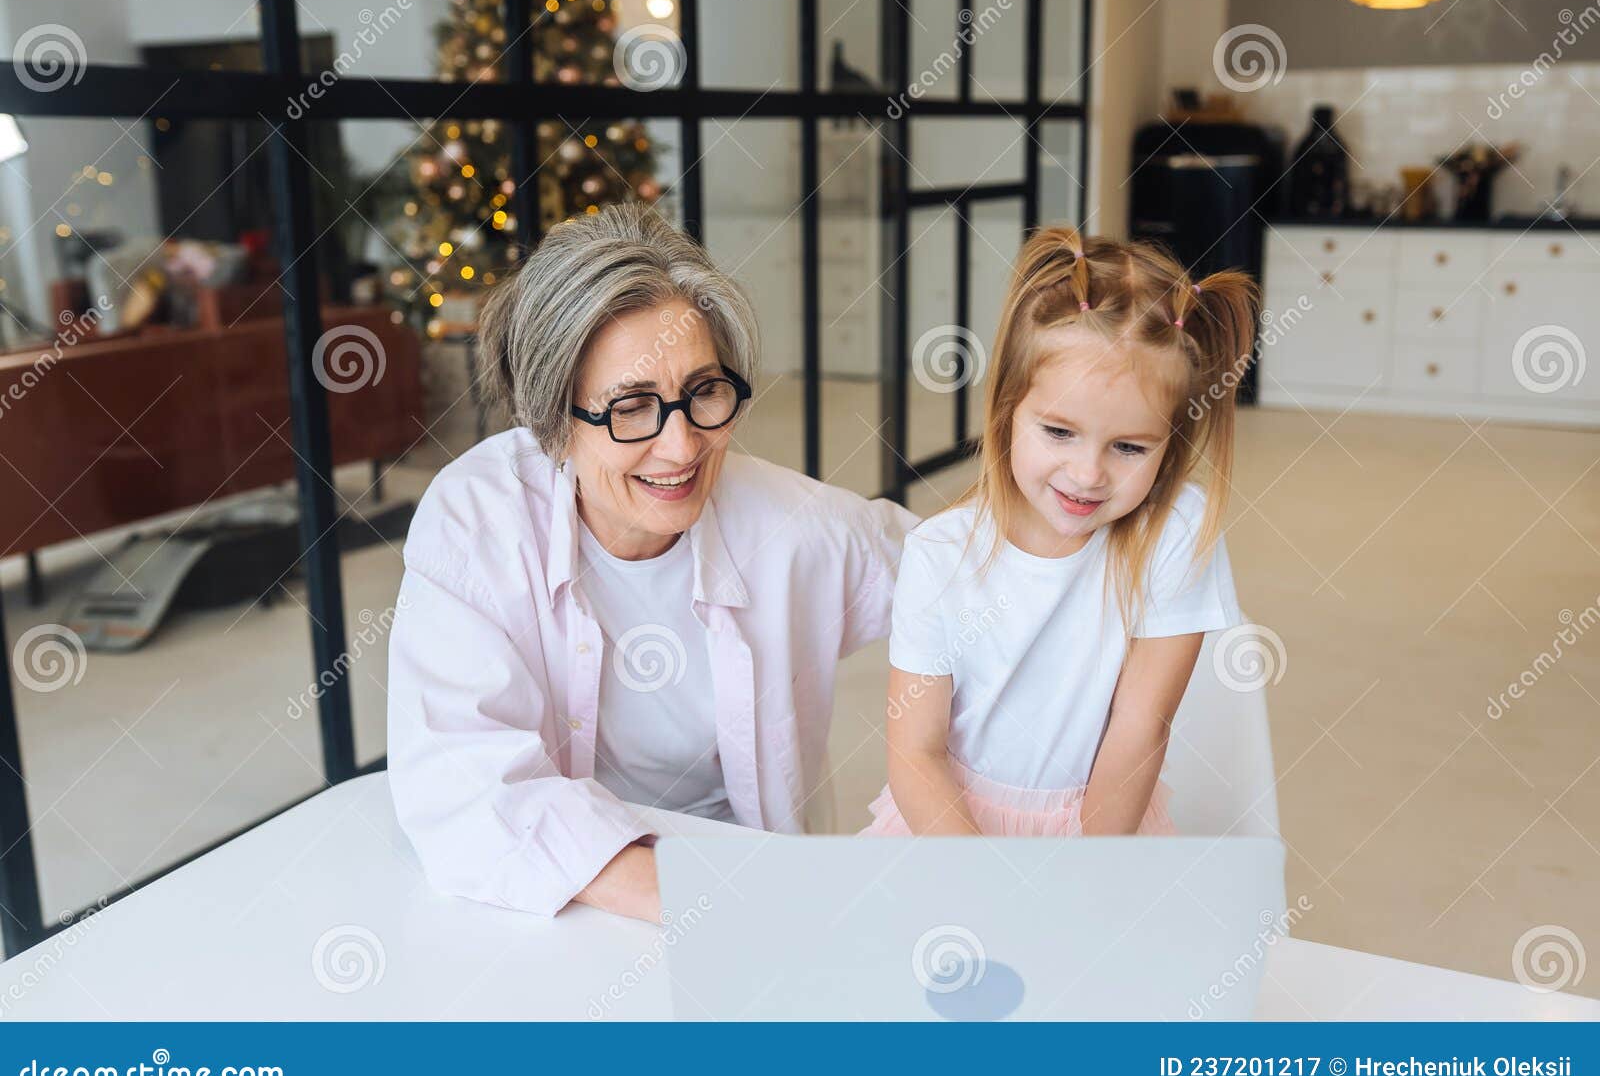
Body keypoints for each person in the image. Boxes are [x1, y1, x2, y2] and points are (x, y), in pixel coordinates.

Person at [387, 202, 915, 922]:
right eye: (631, 406)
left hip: (753, 894)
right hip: (573, 902)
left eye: (702, 392)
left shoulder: (787, 521)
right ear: (551, 421)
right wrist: (712, 901)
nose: (682, 447)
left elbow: (962, 578)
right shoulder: (475, 526)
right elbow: (464, 783)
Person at [864, 225, 1255, 837]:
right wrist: (982, 878)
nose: (1088, 474)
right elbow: (915, 751)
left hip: (1103, 825)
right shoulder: (939, 554)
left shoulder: (1176, 531)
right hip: (951, 830)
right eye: (1059, 432)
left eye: (1128, 446)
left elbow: (1140, 726)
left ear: (1169, 445)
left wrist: (1079, 879)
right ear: (1007, 409)